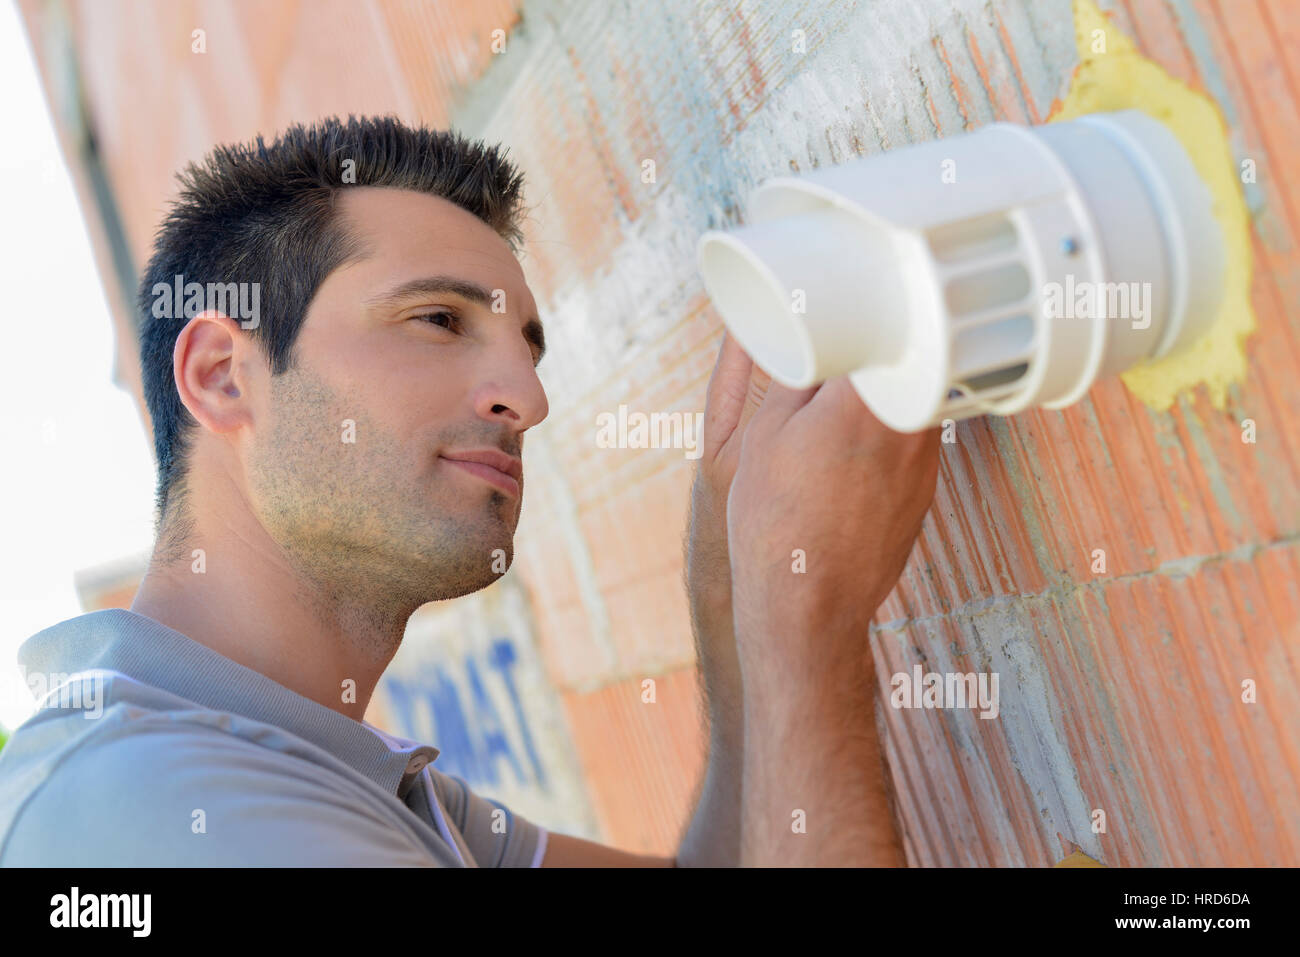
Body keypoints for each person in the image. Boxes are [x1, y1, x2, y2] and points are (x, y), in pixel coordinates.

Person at [0, 115, 939, 866]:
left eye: (527, 349)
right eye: (438, 319)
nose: (527, 400)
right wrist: (800, 617)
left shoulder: (323, 771)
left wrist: (731, 579)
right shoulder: (152, 808)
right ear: (221, 375)